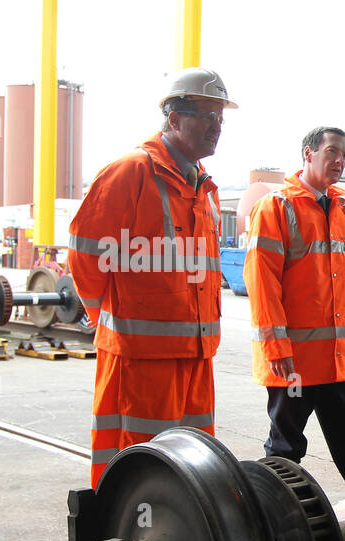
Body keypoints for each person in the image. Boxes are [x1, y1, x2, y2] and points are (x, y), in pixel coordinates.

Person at [68, 68, 235, 487]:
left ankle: (179, 537)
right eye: (205, 115)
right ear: (173, 117)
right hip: (142, 358)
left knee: (192, 463)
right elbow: (86, 255)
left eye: (220, 117)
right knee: (141, 462)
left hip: (196, 355)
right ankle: (124, 532)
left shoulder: (205, 187)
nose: (215, 127)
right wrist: (103, 315)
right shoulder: (130, 173)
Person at [243, 127, 345, 514]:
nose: (340, 161)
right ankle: (269, 517)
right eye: (332, 152)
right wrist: (276, 347)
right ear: (308, 154)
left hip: (337, 361)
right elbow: (262, 284)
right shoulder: (276, 208)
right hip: (294, 363)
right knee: (286, 446)